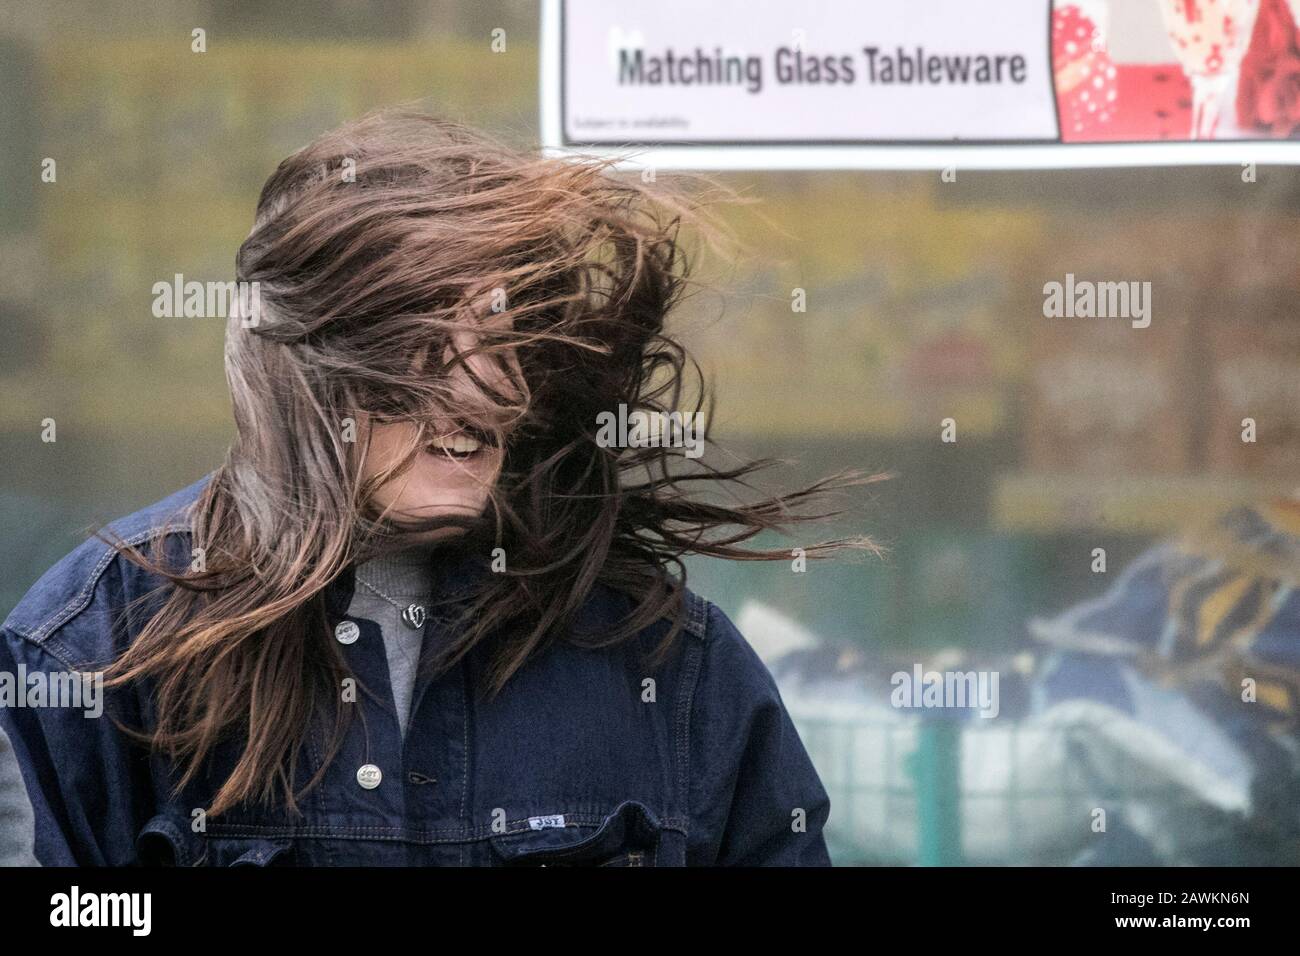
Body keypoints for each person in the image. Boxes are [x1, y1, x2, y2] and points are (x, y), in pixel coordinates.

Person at [0, 111, 866, 866]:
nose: (486, 392)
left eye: (505, 337)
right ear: (306, 363)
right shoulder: (99, 651)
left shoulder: (668, 664)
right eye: (424, 344)